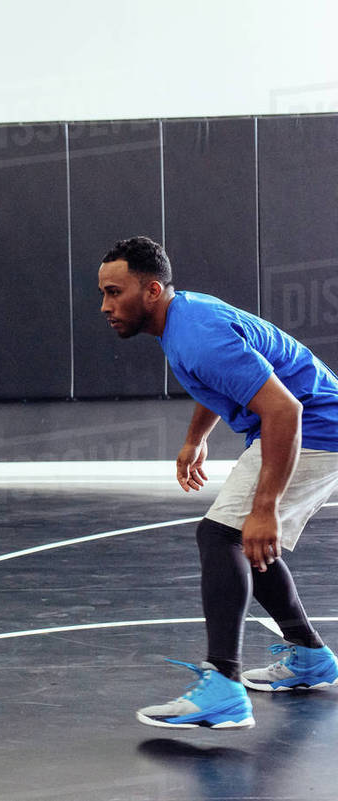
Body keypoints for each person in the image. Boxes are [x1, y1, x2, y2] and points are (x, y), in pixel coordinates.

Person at [97, 235, 338, 729]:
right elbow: (228, 377)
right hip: (313, 421)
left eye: (115, 292)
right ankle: (309, 657)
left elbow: (283, 409)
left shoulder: (195, 334)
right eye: (103, 293)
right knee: (242, 539)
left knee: (223, 533)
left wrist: (266, 507)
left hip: (313, 426)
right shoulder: (183, 318)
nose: (105, 306)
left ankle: (224, 686)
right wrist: (195, 438)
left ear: (152, 291)